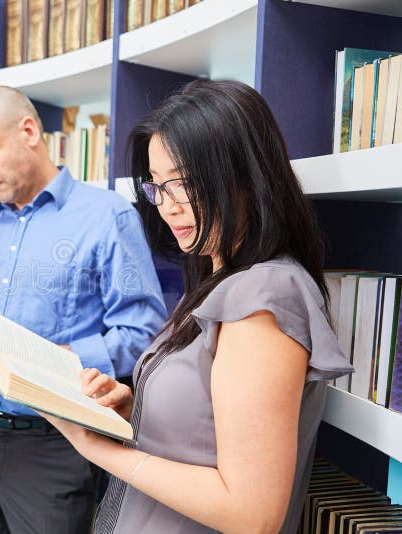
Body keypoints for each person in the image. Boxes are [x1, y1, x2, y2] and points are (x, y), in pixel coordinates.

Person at [41, 79, 354, 533]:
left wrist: (95, 447)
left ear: (247, 173)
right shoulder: (218, 281)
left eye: (183, 184)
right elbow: (206, 429)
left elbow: (252, 515)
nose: (168, 207)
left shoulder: (262, 297)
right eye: (157, 187)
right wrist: (134, 410)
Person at [0, 86, 167, 533]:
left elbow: (143, 331)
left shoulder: (107, 216)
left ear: (29, 131)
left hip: (57, 444)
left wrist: (45, 360)